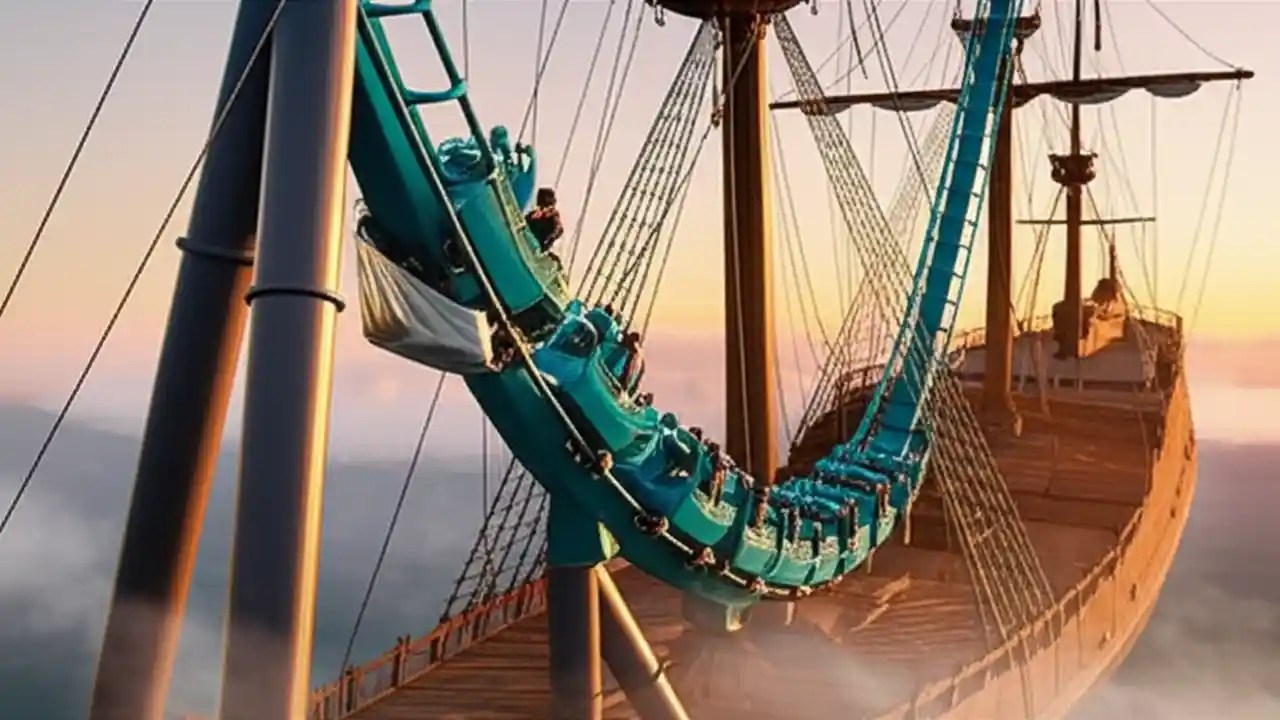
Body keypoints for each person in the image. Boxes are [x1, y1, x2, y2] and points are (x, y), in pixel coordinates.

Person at [525, 187, 564, 253]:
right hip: (528, 242)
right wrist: (532, 217)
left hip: (538, 246)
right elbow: (524, 222)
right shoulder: (535, 214)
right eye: (541, 206)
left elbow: (558, 231)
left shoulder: (553, 218)